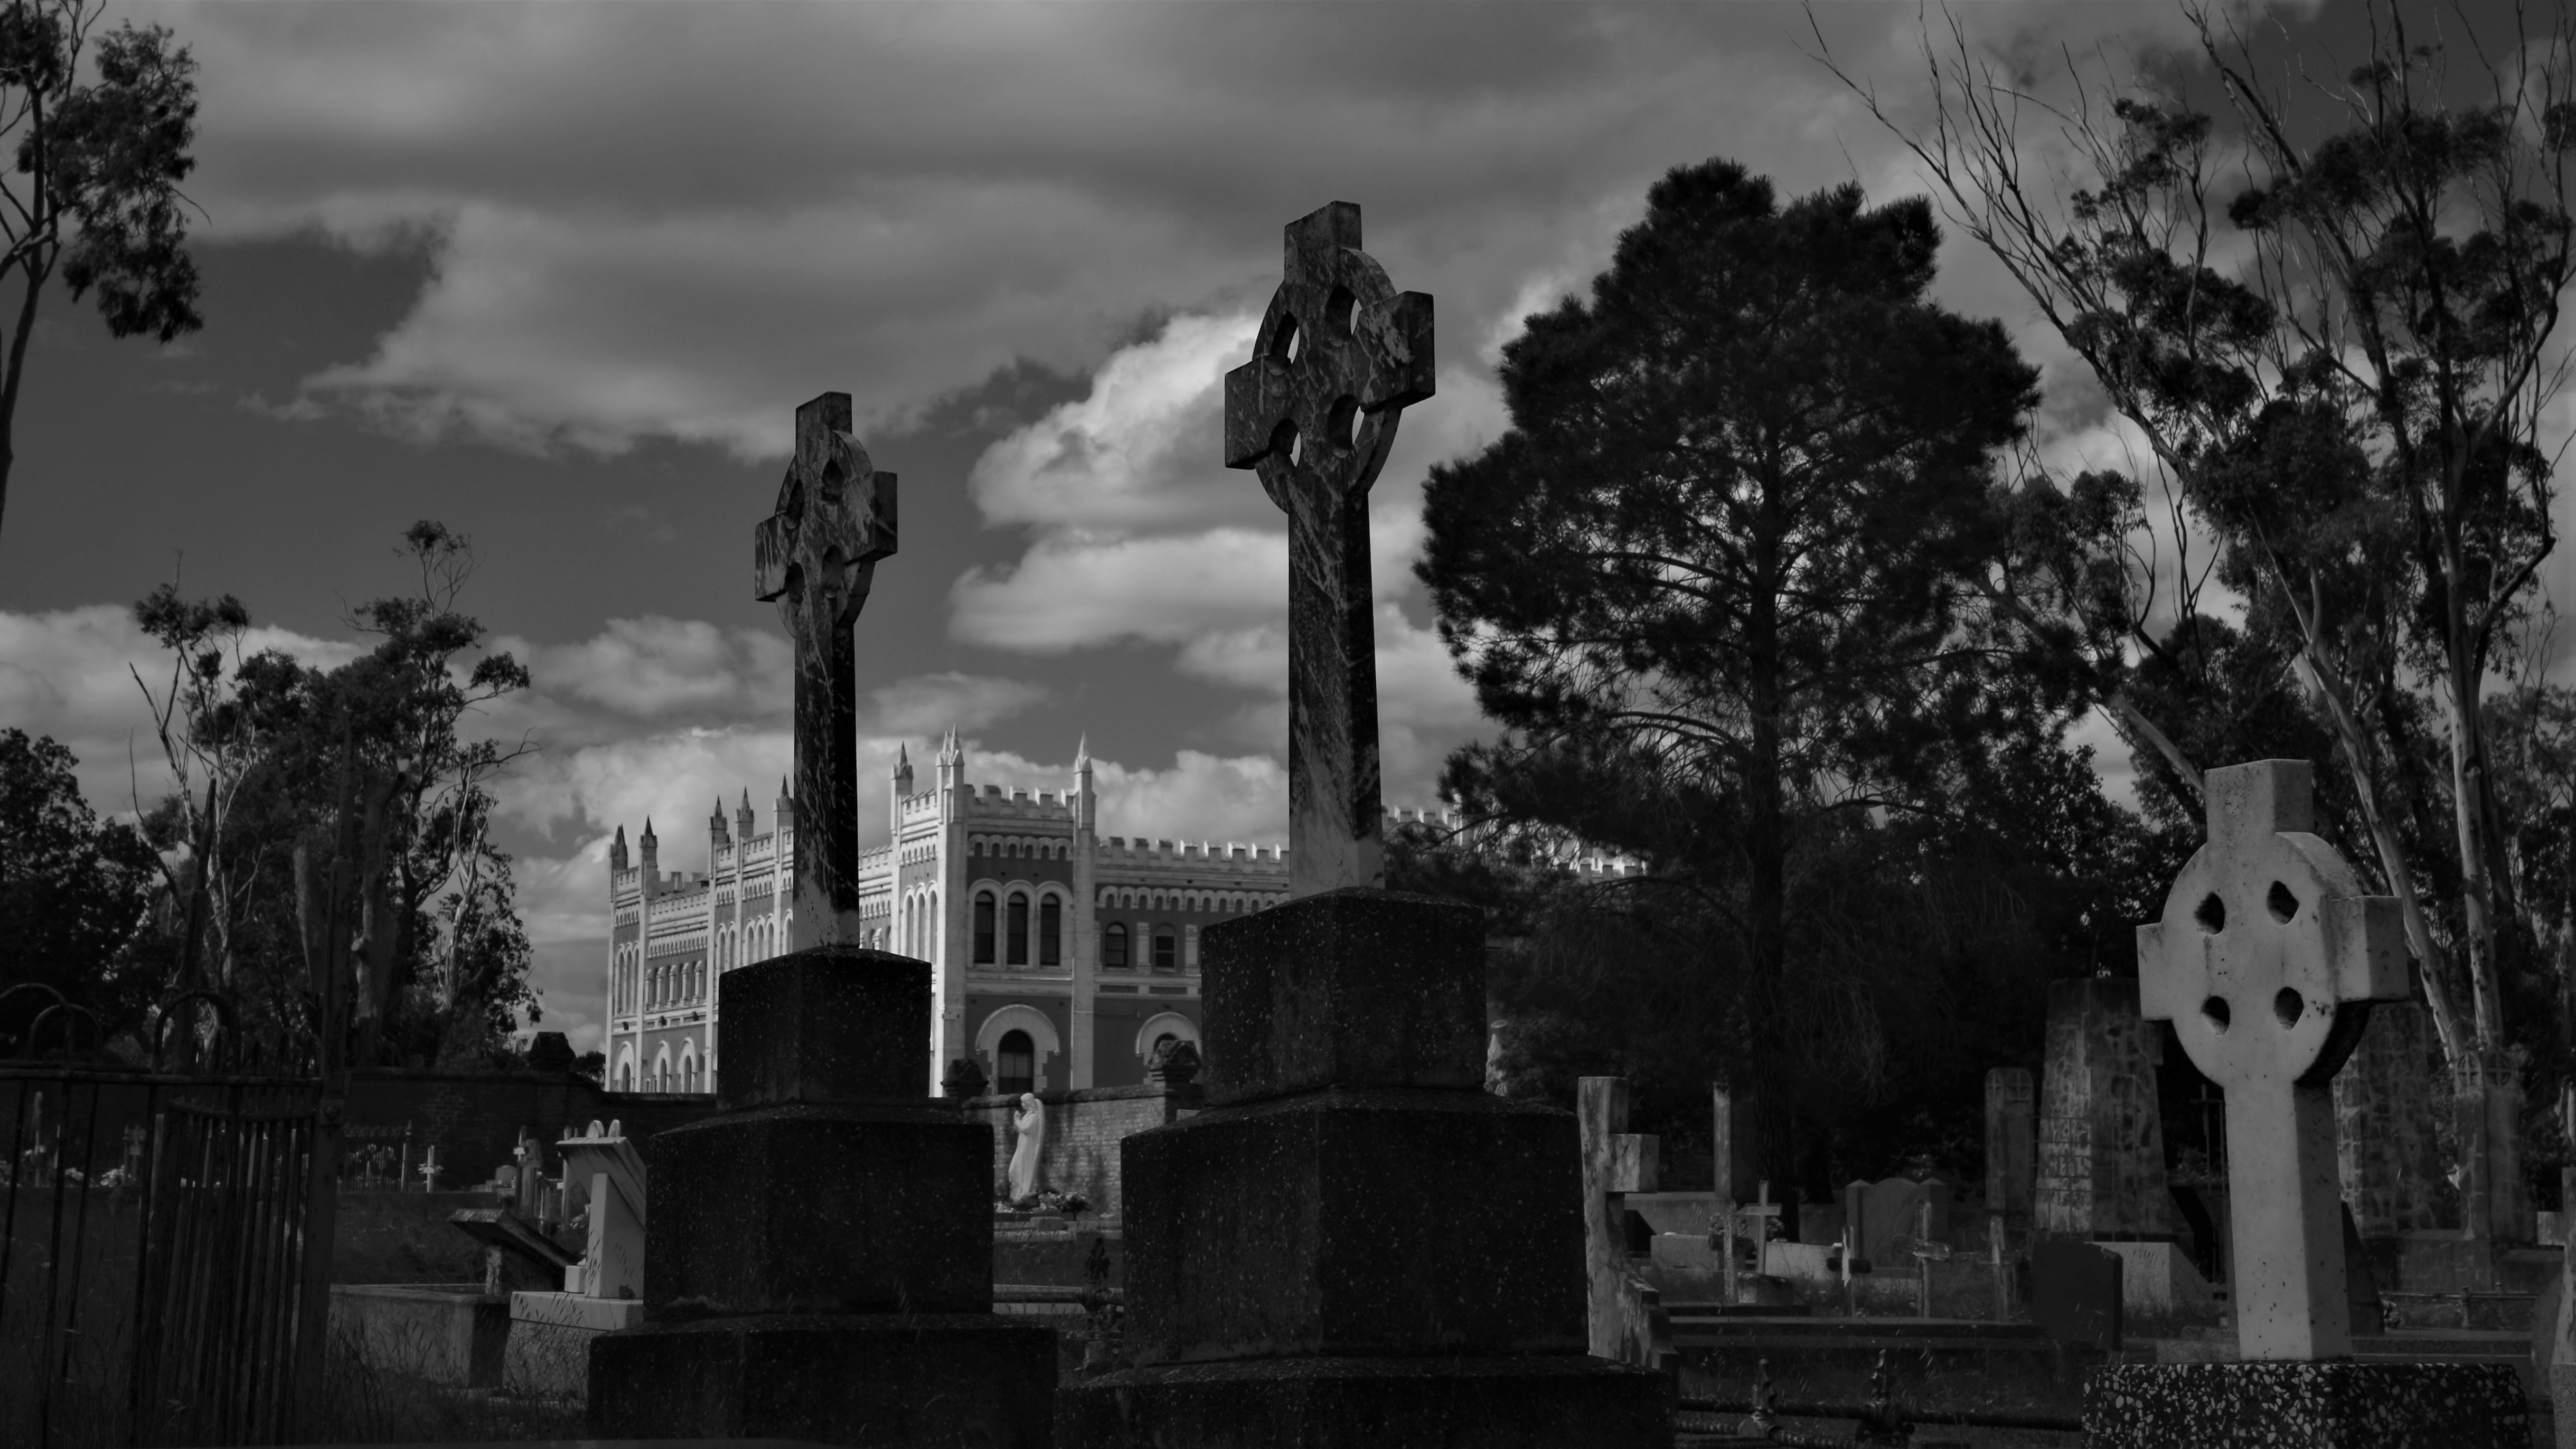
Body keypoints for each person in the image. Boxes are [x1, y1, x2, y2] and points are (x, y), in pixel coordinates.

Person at [1007, 1092, 1046, 1201]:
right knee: (1013, 1170)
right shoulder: (1026, 1116)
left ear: (1029, 1103)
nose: (1022, 1104)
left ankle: (1023, 1195)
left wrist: (1017, 1121)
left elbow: (1025, 1129)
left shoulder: (1034, 1117)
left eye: (1024, 1102)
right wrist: (1017, 1120)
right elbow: (1018, 1129)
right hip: (1021, 1146)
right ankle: (1016, 1197)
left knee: (1023, 1169)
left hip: (1027, 1146)